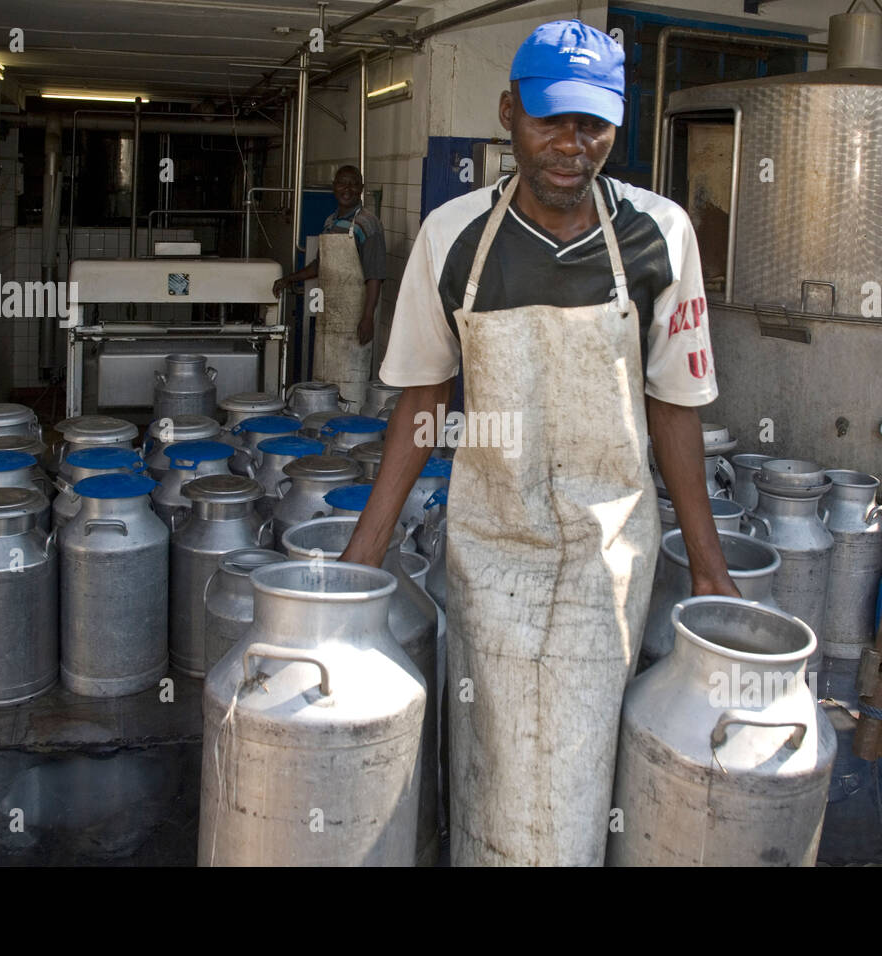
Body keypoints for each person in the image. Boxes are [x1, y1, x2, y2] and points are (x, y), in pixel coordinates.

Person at [340, 19, 739, 866]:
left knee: (577, 766)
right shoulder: (453, 239)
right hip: (489, 556)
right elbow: (424, 396)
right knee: (494, 752)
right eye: (550, 119)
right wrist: (366, 551)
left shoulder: (659, 235)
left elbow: (675, 403)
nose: (571, 145)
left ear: (615, 126)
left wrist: (706, 564)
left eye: (591, 124)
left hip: (610, 558)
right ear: (508, 112)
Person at [272, 165, 385, 347]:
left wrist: (368, 317)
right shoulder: (331, 221)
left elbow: (375, 276)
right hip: (330, 312)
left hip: (355, 317)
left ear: (361, 189)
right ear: (334, 187)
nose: (347, 189)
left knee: (350, 373)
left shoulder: (368, 224)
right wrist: (289, 279)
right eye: (342, 184)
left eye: (353, 184)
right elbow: (320, 265)